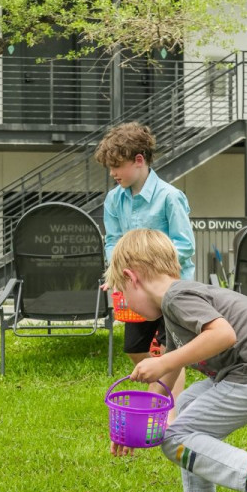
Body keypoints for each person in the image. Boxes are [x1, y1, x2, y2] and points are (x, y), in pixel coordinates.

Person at [106, 228, 247, 492]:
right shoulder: (176, 305)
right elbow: (169, 375)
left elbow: (223, 335)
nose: (125, 303)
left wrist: (162, 363)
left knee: (174, 438)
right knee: (186, 406)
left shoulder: (176, 297)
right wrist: (137, 425)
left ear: (132, 278)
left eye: (121, 292)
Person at [95, 122, 197, 403]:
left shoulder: (169, 197)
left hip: (171, 289)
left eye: (117, 165)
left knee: (170, 353)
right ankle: (167, 394)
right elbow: (113, 242)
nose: (112, 173)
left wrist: (145, 268)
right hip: (137, 291)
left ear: (139, 160)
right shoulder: (114, 200)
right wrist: (116, 273)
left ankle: (164, 410)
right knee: (133, 347)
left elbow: (185, 246)